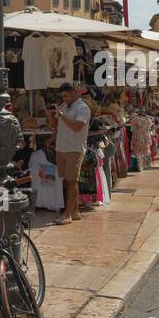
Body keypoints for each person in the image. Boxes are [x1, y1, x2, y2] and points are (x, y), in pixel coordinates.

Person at [48, 82, 91, 225]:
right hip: (62, 147)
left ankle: (67, 215)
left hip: (75, 148)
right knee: (67, 181)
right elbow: (57, 126)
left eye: (65, 95)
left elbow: (77, 127)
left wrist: (61, 115)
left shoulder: (83, 108)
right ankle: (75, 211)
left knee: (72, 181)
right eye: (62, 96)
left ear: (73, 93)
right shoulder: (64, 107)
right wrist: (50, 115)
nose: (64, 98)